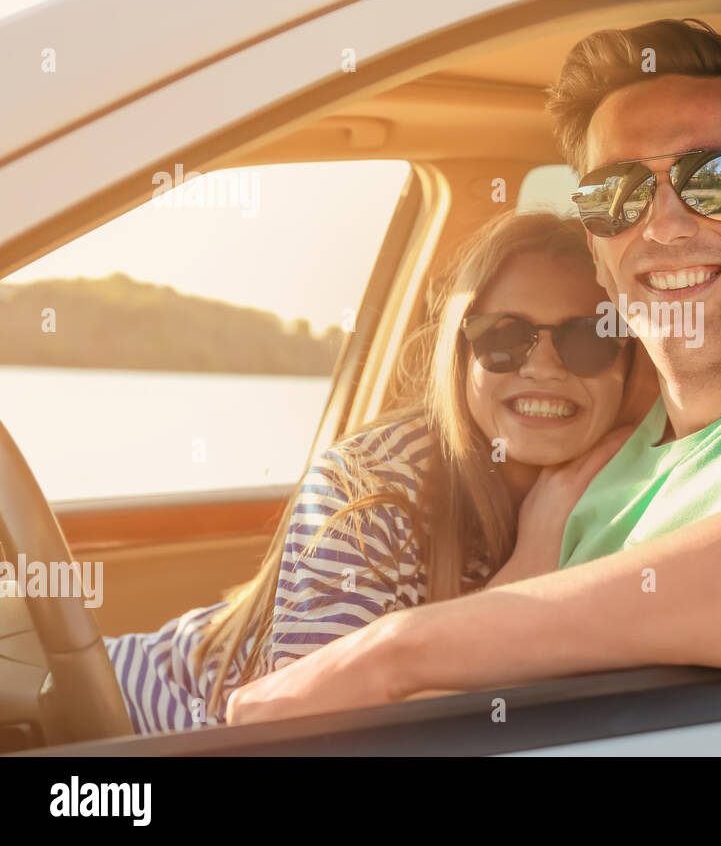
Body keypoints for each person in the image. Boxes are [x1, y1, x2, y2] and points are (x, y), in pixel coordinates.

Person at [224, 18, 721, 725]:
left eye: (715, 180)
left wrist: (394, 651)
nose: (664, 225)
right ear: (597, 249)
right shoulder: (605, 457)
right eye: (617, 194)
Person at [106, 210, 652, 732]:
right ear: (459, 352)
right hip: (115, 713)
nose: (543, 366)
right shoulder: (365, 487)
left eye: (589, 338)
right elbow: (316, 730)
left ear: (630, 360)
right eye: (506, 337)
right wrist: (529, 570)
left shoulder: (643, 488)